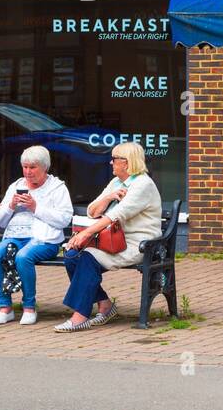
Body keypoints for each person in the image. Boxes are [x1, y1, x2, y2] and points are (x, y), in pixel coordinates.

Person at [54, 142, 161, 332]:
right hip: (112, 239)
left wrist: (86, 234)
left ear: (126, 163)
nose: (110, 163)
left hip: (137, 243)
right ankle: (104, 305)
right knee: (71, 255)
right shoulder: (116, 182)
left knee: (87, 258)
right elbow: (91, 211)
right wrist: (108, 197)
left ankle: (80, 316)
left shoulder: (143, 184)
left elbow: (116, 215)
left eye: (114, 159)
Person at [0, 146, 73, 325]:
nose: (27, 172)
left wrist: (35, 207)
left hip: (44, 240)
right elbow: (1, 222)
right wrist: (10, 205)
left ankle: (29, 307)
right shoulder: (16, 186)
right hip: (15, 237)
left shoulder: (57, 188)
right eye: (25, 167)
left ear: (44, 167)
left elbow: (64, 220)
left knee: (23, 257)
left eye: (32, 167)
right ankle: (5, 308)